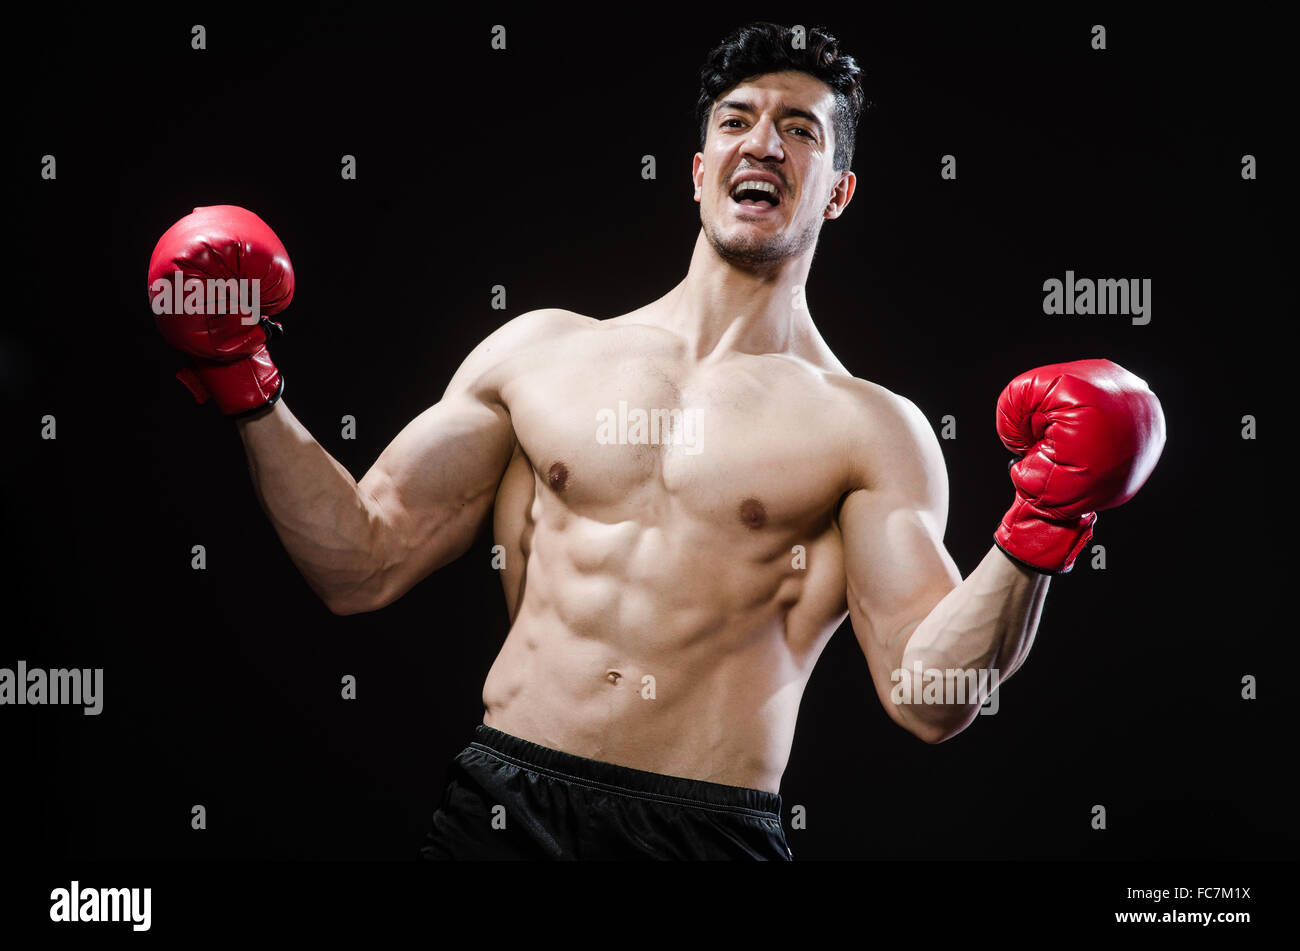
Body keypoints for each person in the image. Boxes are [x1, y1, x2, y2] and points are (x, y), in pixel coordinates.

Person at [146, 22, 1165, 860]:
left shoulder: (869, 426)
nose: (761, 143)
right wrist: (243, 384)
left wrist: (1046, 521)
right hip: (499, 808)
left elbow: (929, 699)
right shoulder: (538, 351)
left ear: (838, 191)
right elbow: (359, 565)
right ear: (696, 169)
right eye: (737, 121)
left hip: (703, 836)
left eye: (801, 131)